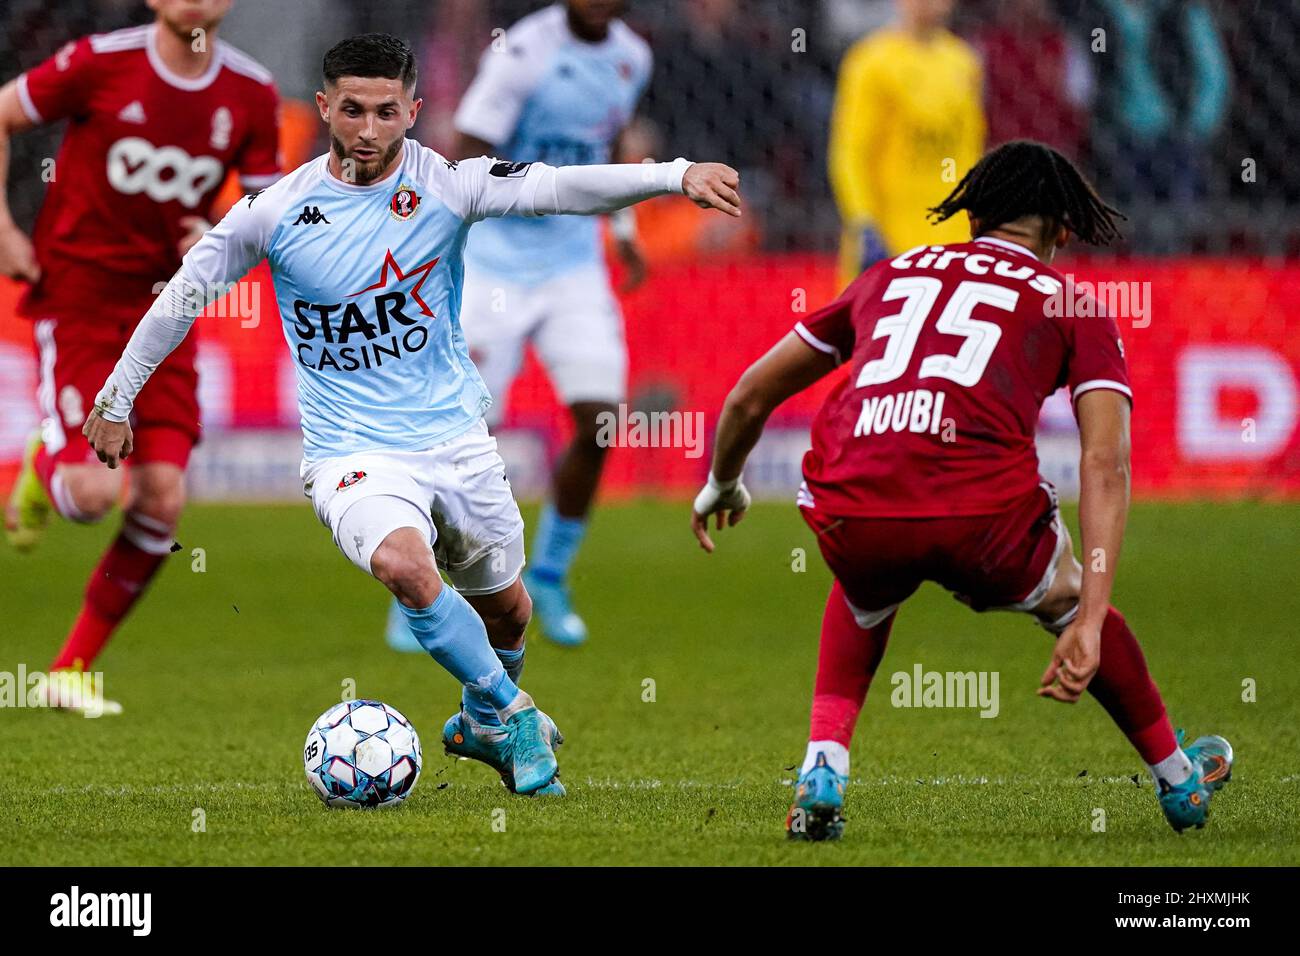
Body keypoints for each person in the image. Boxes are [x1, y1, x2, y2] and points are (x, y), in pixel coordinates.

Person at [82, 33, 741, 795]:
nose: (367, 129)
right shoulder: (276, 211)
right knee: (404, 565)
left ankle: (481, 722)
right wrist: (116, 397)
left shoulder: (450, 184)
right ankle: (515, 710)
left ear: (414, 111)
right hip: (350, 453)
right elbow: (184, 296)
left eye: (386, 111)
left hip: (456, 439)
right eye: (352, 110)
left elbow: (560, 186)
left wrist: (674, 174)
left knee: (510, 613)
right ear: (323, 107)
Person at [691, 140, 1232, 840]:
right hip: (983, 518)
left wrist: (723, 483)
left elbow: (748, 396)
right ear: (1063, 229)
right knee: (1066, 595)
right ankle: (1179, 780)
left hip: (854, 499)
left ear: (971, 216)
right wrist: (1089, 618)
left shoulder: (888, 273)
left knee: (863, 589)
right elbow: (1105, 464)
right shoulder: (1073, 301)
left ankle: (823, 766)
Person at [1, 0, 280, 716]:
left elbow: (266, 214)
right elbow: (2, 113)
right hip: (81, 299)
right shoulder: (101, 61)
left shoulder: (250, 92)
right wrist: (4, 230)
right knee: (93, 497)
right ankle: (44, 464)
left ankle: (70, 671)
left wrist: (216, 237)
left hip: (167, 312)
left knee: (161, 497)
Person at [393, 0, 653, 649]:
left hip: (573, 268)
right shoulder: (523, 53)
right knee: (462, 430)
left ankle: (552, 577)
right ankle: (421, 584)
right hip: (495, 265)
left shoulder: (633, 56)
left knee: (599, 421)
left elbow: (611, 141)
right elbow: (470, 147)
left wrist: (621, 225)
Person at [828, 0, 983, 287]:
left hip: (949, 234)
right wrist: (863, 222)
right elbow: (850, 153)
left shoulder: (963, 62)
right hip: (888, 234)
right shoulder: (870, 62)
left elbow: (969, 151)